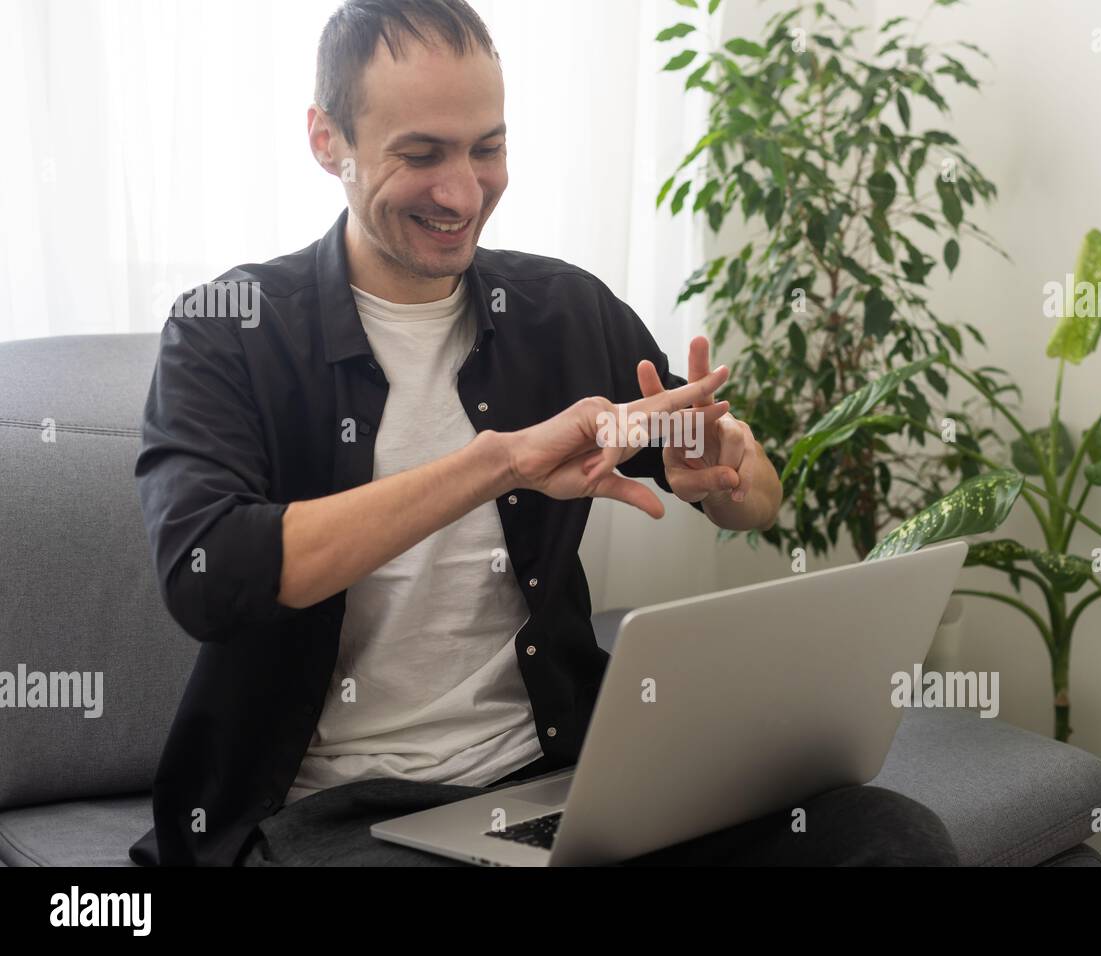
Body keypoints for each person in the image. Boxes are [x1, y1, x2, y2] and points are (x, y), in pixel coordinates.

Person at [128, 0, 958, 867]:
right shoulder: (228, 330)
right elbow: (208, 575)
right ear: (326, 140)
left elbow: (740, 490)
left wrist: (739, 477)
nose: (462, 192)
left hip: (563, 774)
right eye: (421, 154)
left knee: (888, 838)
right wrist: (499, 462)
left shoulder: (563, 312)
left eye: (487, 148)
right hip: (337, 814)